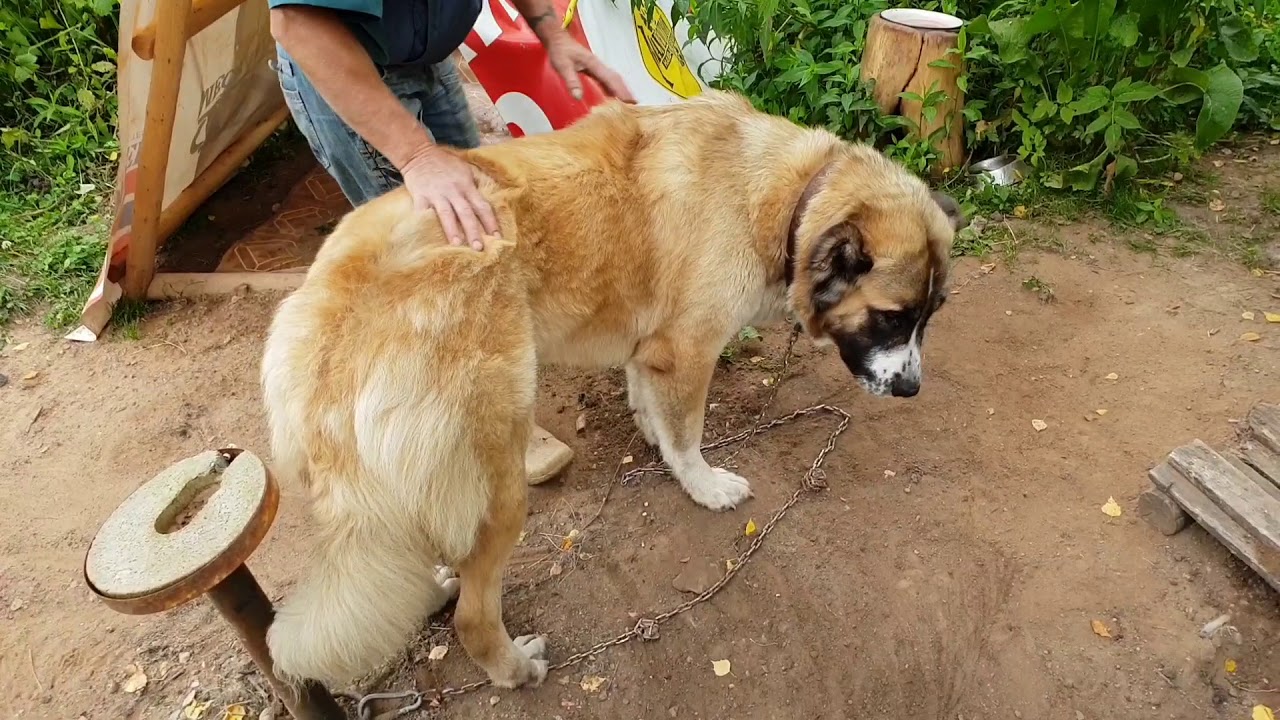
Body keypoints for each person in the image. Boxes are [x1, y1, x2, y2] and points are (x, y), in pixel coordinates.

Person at [268, 0, 635, 483]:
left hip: (427, 58)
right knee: (440, 264)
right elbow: (297, 20)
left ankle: (480, 396)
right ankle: (472, 437)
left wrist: (552, 31)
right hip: (352, 69)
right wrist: (417, 156)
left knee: (481, 232)